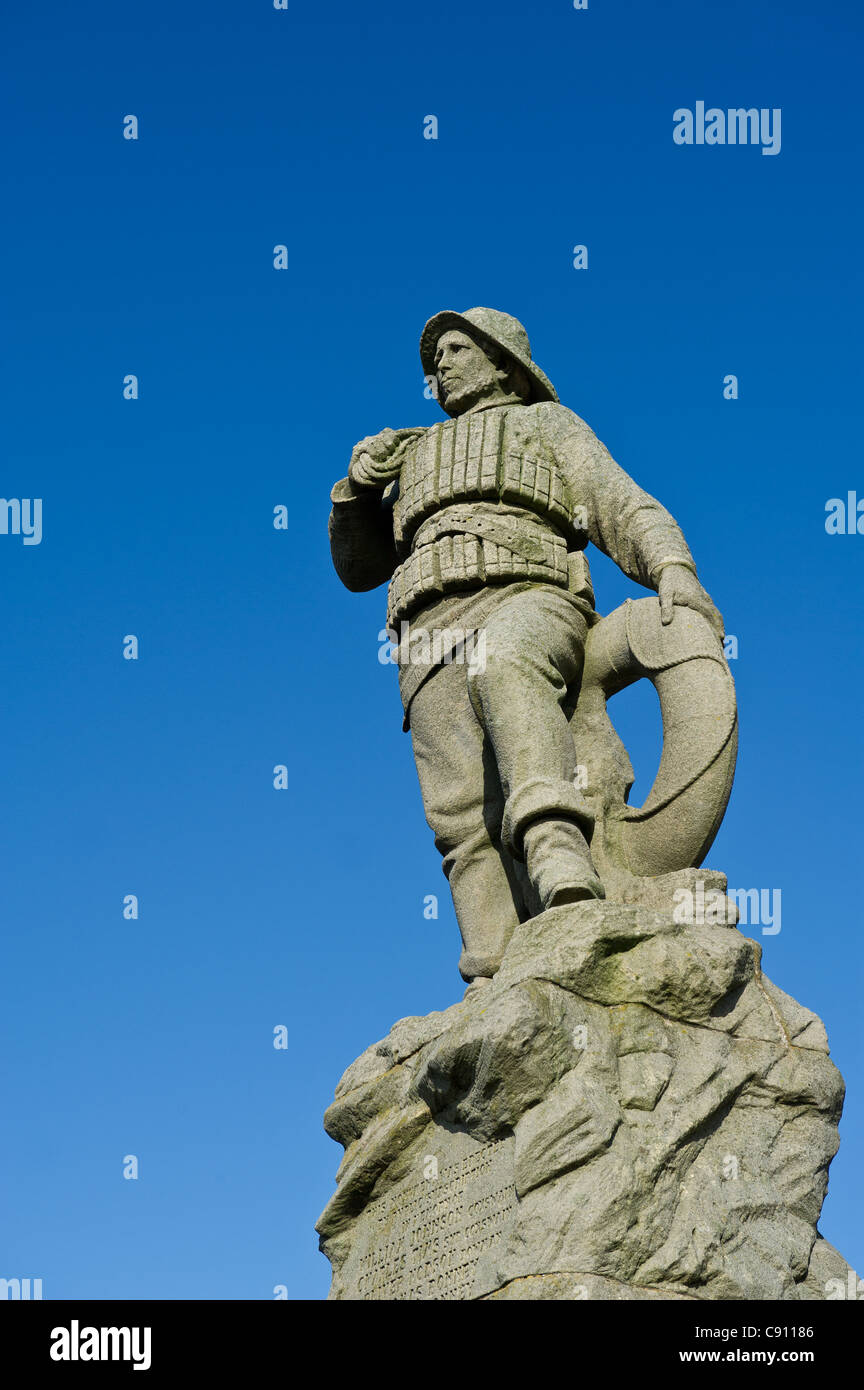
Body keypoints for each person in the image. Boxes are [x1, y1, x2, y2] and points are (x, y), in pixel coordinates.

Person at [329, 308, 723, 985]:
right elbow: (359, 570)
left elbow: (618, 503)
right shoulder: (413, 453)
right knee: (457, 810)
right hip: (426, 638)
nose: (439, 366)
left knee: (506, 662)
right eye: (435, 358)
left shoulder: (547, 425)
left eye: (455, 350)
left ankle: (558, 855)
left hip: (531, 602)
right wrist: (358, 493)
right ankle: (492, 975)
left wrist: (672, 570)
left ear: (502, 361)